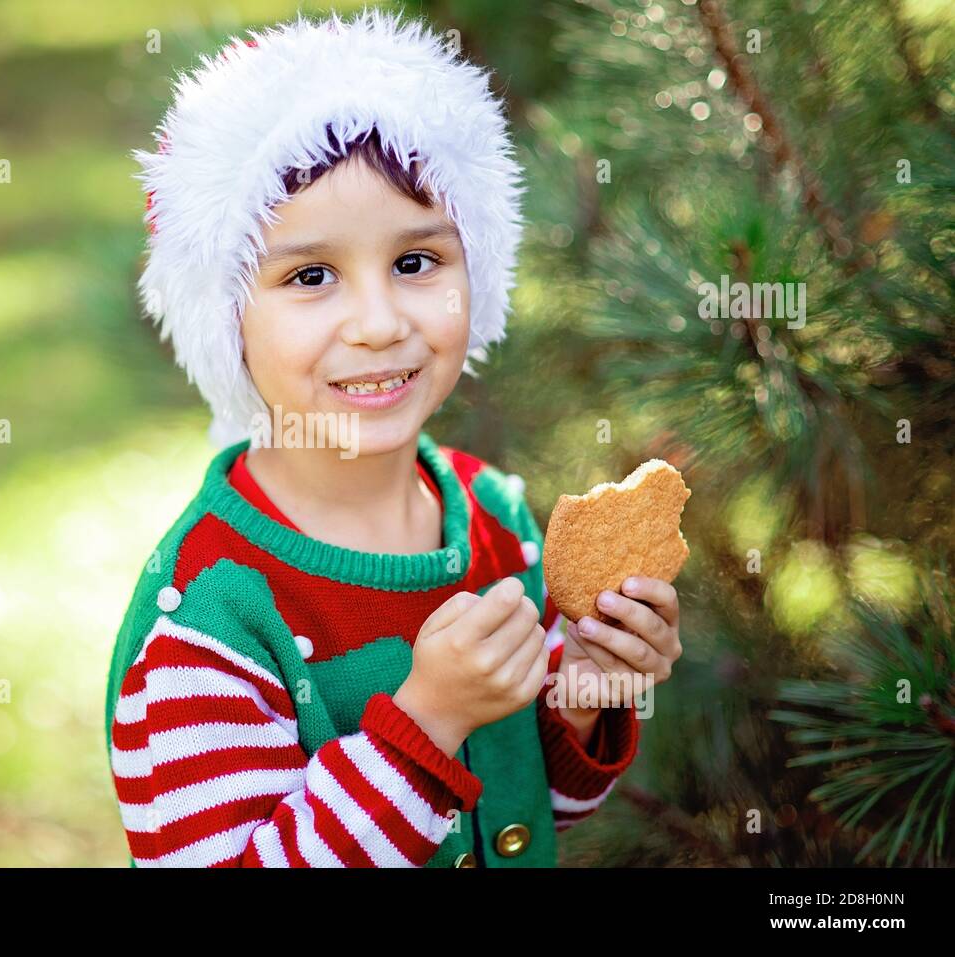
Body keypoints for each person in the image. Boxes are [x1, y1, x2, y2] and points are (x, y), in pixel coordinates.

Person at [105, 7, 682, 868]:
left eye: (416, 263)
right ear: (224, 315)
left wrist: (589, 691)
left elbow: (539, 808)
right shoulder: (205, 626)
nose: (378, 323)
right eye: (311, 275)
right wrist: (427, 724)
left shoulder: (498, 520)